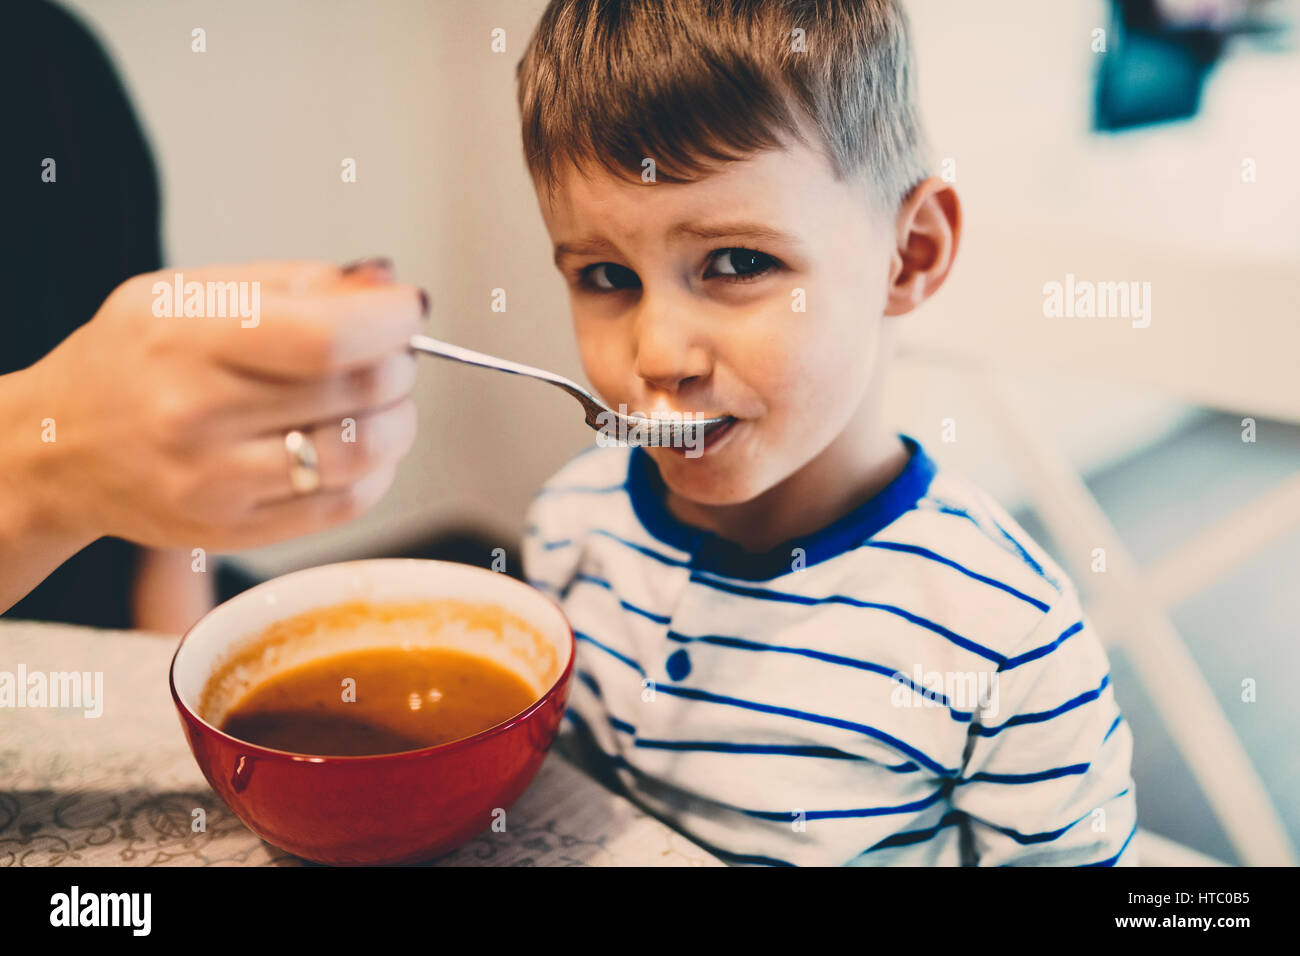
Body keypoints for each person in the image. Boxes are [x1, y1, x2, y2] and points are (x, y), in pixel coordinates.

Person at [519, 0, 1138, 865]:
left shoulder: (1004, 634)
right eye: (606, 275)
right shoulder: (569, 521)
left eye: (737, 263)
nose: (657, 355)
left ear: (909, 253)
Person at [0, 0, 422, 630]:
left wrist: (166, 680)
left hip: (156, 616)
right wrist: (44, 471)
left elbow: (158, 426)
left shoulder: (50, 62)